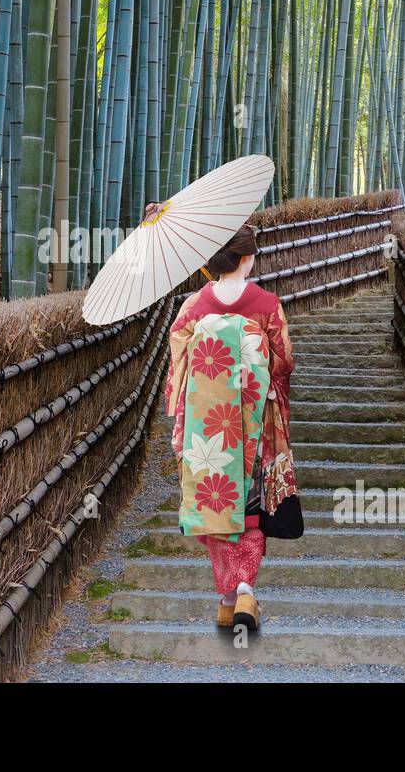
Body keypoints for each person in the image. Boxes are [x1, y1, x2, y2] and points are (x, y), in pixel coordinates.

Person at [164, 222, 296, 633]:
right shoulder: (266, 303)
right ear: (248, 257)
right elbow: (284, 362)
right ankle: (243, 589)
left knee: (212, 504)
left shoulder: (192, 308)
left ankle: (227, 597)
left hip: (207, 431)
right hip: (254, 424)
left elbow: (178, 367)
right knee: (250, 508)